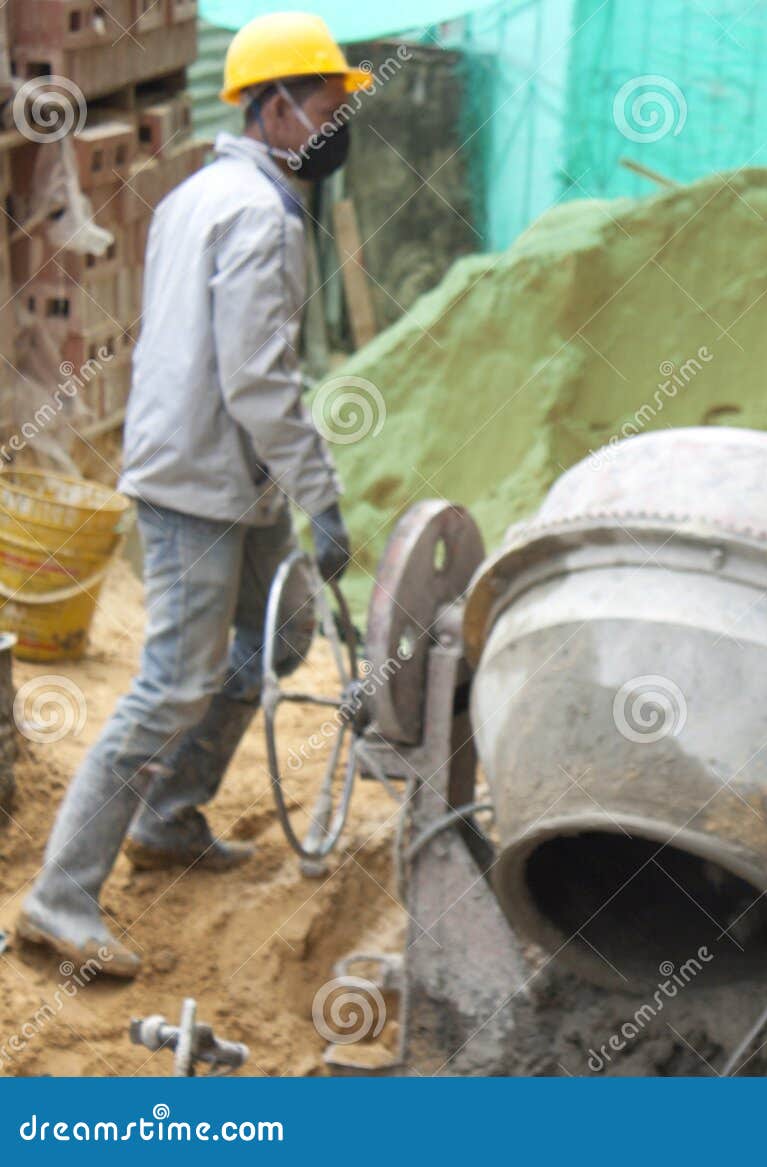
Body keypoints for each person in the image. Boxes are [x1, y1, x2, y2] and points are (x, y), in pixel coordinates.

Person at [16, 12, 373, 977]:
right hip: (201, 483)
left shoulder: (203, 195)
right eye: (332, 106)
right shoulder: (254, 214)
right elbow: (260, 377)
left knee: (281, 638)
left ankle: (170, 815)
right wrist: (322, 495)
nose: (341, 125)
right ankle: (59, 896)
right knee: (173, 680)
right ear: (276, 107)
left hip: (228, 471)